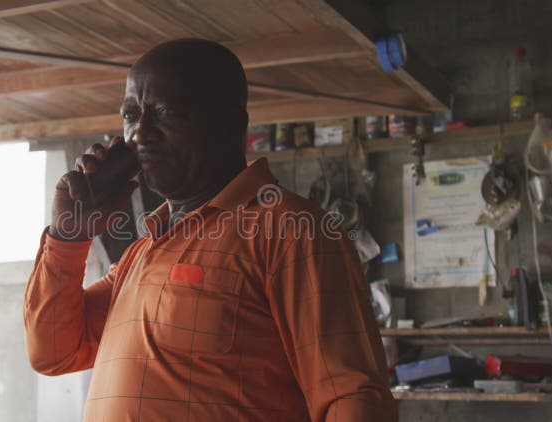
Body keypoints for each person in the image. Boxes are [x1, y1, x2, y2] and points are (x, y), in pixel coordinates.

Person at [24, 39, 396, 421]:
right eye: (131, 115)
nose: (140, 134)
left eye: (166, 112)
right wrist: (68, 236)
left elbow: (353, 397)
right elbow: (53, 351)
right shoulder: (142, 254)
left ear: (230, 123)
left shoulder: (290, 231)